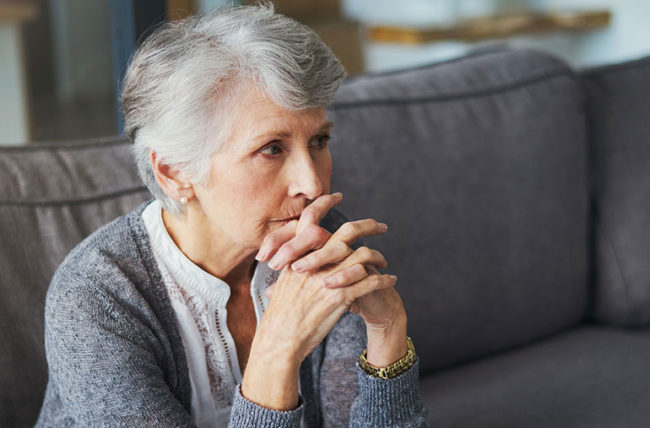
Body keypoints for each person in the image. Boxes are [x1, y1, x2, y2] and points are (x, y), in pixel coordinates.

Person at [36, 4, 427, 427]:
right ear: (174, 172)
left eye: (319, 140)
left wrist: (388, 331)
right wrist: (277, 349)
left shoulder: (324, 242)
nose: (313, 186)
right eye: (272, 149)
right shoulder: (97, 296)